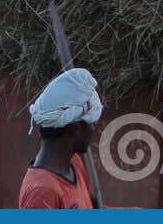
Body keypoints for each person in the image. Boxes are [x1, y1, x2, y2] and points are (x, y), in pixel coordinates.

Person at [18, 68, 102, 209]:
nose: (94, 129)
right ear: (76, 129)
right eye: (91, 123)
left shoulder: (74, 163)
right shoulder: (43, 192)